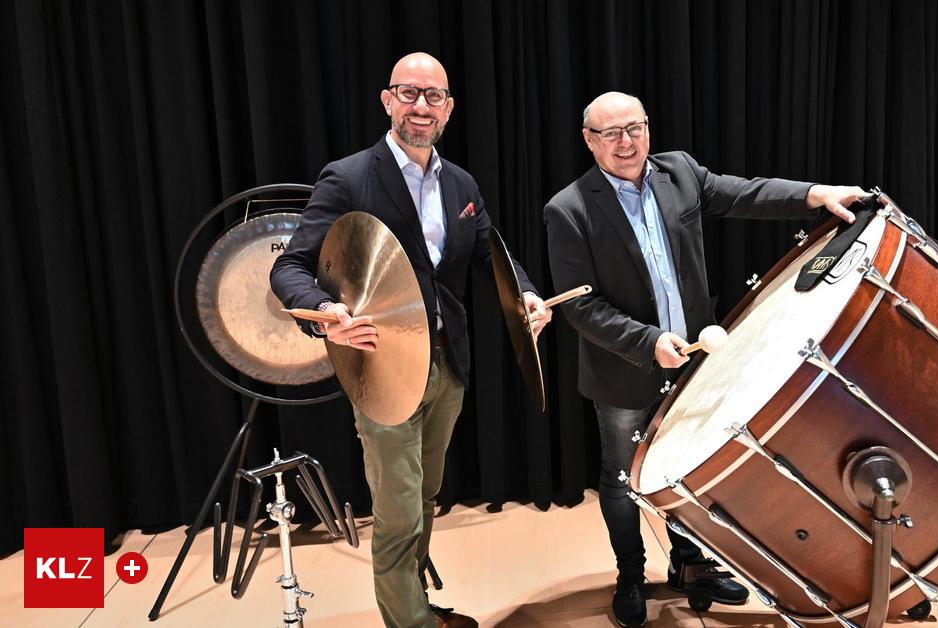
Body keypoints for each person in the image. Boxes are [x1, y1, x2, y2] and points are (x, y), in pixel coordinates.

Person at [543, 91, 866, 626]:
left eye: (635, 128)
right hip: (625, 371)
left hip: (697, 361)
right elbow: (581, 306)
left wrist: (815, 193)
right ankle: (630, 574)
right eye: (612, 133)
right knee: (623, 480)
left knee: (689, 469)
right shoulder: (569, 208)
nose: (627, 142)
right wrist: (647, 341)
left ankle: (690, 563)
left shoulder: (679, 173)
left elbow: (747, 193)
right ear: (589, 141)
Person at [271, 52, 550, 628]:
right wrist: (327, 309)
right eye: (410, 93)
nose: (421, 106)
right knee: (398, 510)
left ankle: (416, 604)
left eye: (434, 97)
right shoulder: (347, 177)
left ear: (449, 108)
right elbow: (290, 268)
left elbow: (489, 255)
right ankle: (412, 623)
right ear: (387, 99)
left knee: (423, 499)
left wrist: (522, 294)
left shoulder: (461, 183)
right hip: (382, 369)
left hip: (447, 365)